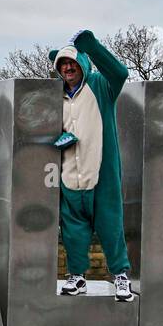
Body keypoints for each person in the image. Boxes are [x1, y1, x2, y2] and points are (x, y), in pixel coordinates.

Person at [51, 29, 134, 302]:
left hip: (101, 174)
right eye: (63, 64)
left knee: (111, 226)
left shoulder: (100, 85)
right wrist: (60, 140)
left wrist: (92, 47)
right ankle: (77, 277)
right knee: (73, 231)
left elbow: (120, 74)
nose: (67, 68)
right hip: (70, 174)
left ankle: (121, 276)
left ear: (83, 65)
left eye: (72, 63)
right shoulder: (55, 95)